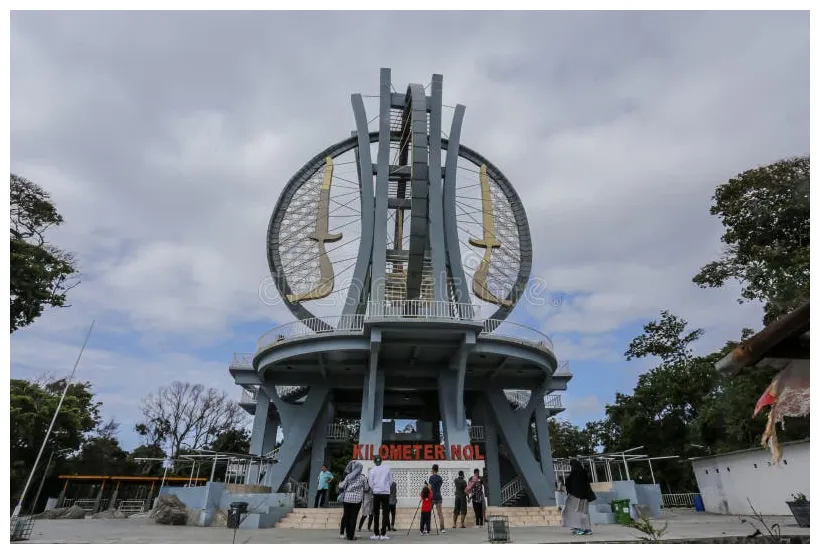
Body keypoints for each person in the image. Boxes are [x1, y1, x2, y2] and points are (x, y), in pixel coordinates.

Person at [562, 459, 596, 536]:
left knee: (576, 513)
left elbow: (569, 484)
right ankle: (587, 529)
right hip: (585, 497)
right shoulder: (584, 473)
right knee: (585, 513)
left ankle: (580, 529)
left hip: (576, 497)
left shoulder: (574, 474)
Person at [338, 461, 369, 541]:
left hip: (347, 499)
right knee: (353, 517)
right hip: (357, 500)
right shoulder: (363, 478)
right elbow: (366, 488)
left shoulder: (348, 476)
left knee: (347, 516)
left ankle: (347, 534)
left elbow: (342, 486)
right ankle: (351, 536)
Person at [368, 455, 394, 540]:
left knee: (376, 514)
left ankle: (376, 534)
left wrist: (375, 489)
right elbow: (391, 481)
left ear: (374, 461)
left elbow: (370, 483)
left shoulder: (372, 470)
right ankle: (383, 534)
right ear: (381, 461)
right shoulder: (387, 469)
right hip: (385, 493)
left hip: (376, 493)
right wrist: (386, 487)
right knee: (385, 513)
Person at [427, 464, 446, 533]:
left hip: (432, 497)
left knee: (428, 512)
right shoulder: (440, 478)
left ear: (433, 469)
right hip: (439, 496)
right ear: (437, 470)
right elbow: (439, 486)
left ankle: (427, 528)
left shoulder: (431, 477)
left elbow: (429, 488)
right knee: (440, 513)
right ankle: (442, 528)